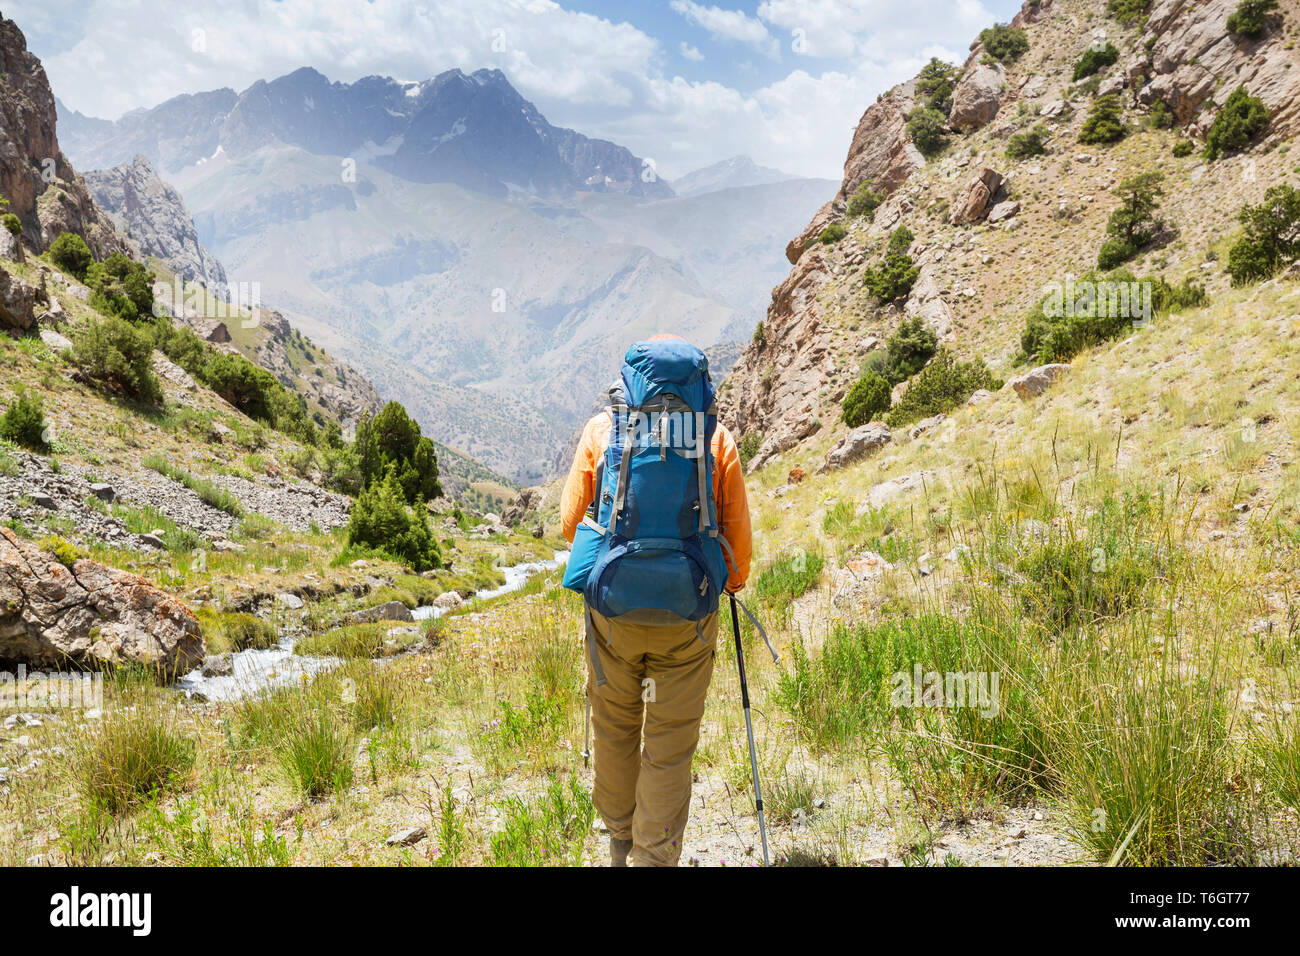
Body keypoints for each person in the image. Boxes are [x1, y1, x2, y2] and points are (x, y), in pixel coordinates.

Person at [560, 334, 751, 867]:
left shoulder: (603, 432)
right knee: (668, 746)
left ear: (631, 381)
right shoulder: (716, 441)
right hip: (687, 617)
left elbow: (569, 524)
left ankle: (620, 843)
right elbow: (739, 554)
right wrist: (723, 584)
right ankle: (653, 858)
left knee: (616, 727)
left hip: (613, 614)